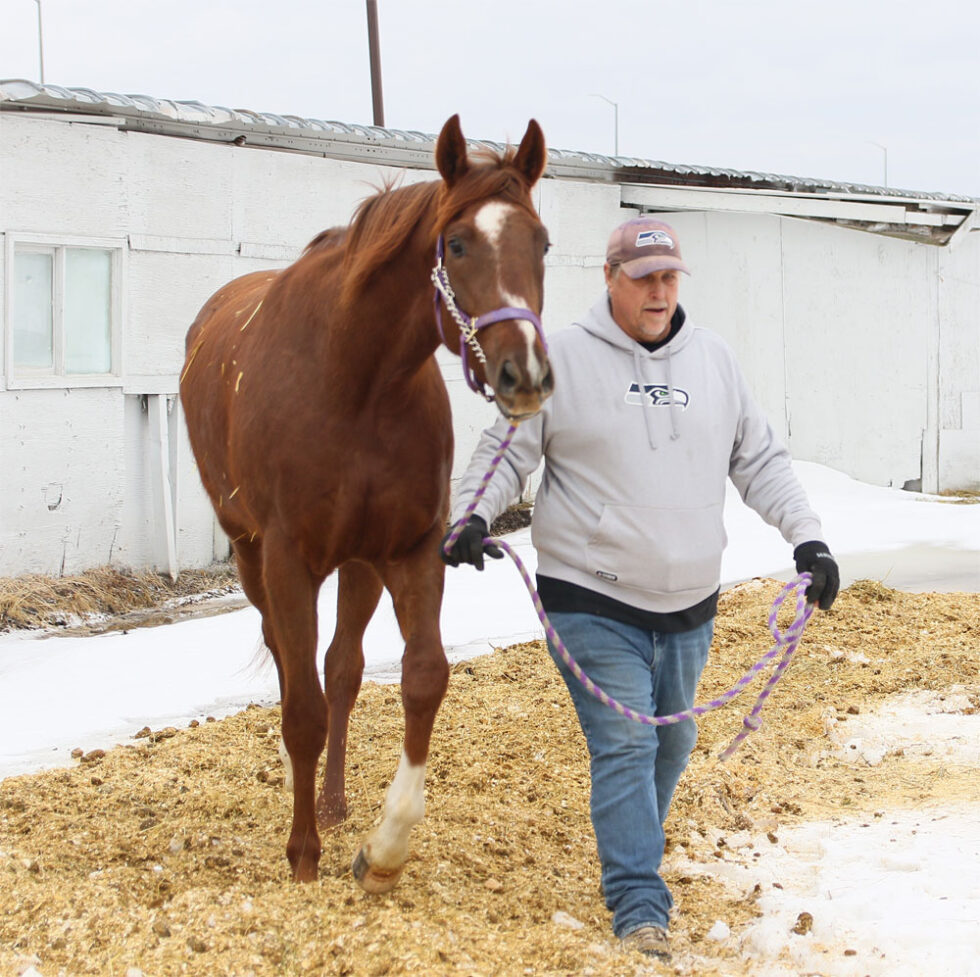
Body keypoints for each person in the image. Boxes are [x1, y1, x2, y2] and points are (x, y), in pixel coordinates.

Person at [441, 216, 839, 962]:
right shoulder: (554, 355)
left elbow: (760, 459)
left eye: (669, 278)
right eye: (643, 277)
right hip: (589, 593)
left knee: (672, 736)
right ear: (610, 278)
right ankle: (638, 903)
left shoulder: (714, 360)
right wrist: (471, 515)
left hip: (688, 599)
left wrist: (807, 537)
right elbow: (505, 447)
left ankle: (633, 852)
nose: (659, 291)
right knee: (624, 742)